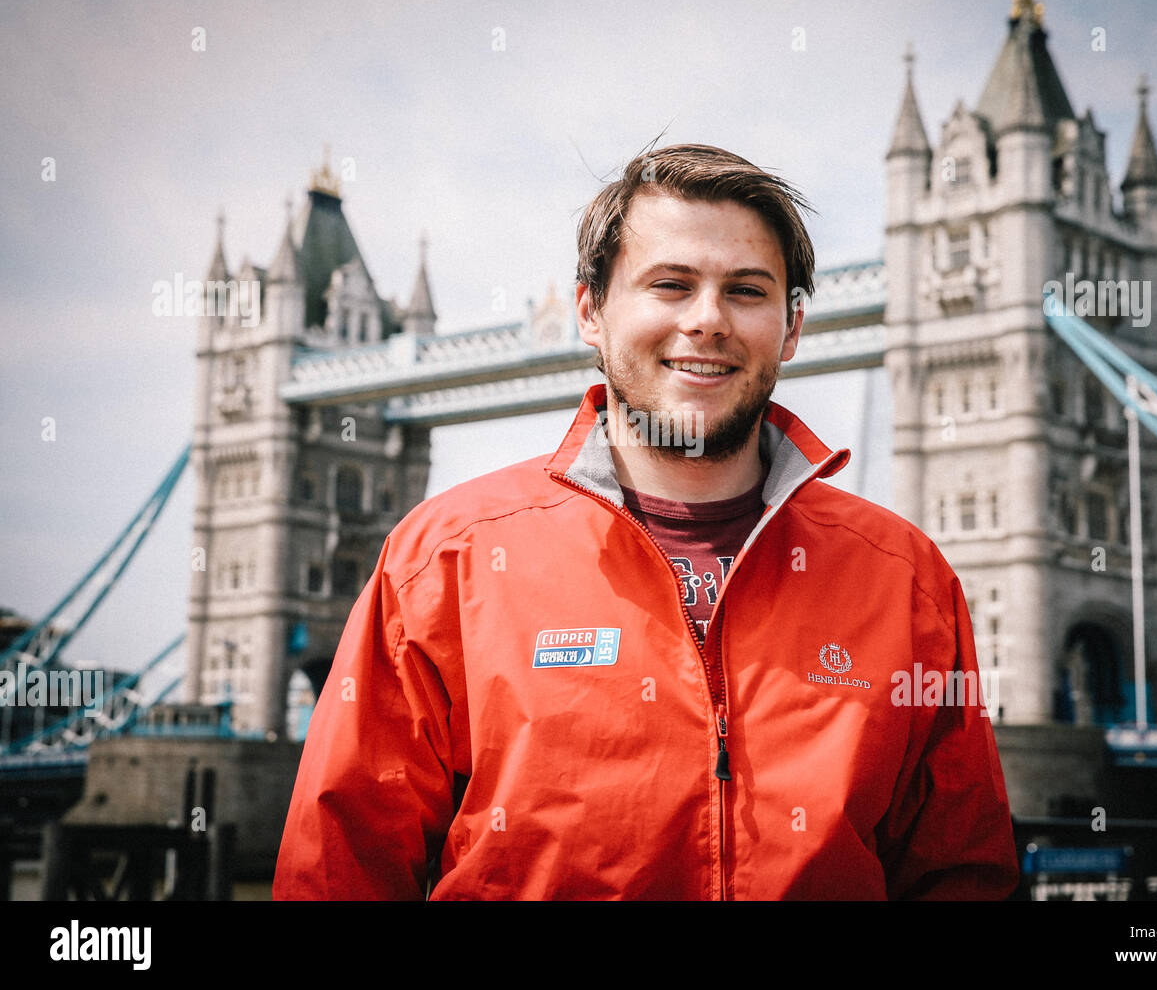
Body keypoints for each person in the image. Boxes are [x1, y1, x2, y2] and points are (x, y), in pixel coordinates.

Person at [273, 142, 1019, 900]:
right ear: (590, 311)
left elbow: (964, 876)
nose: (707, 320)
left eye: (748, 291)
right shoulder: (441, 562)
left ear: (792, 328)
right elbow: (338, 870)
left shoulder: (906, 579)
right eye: (670, 284)